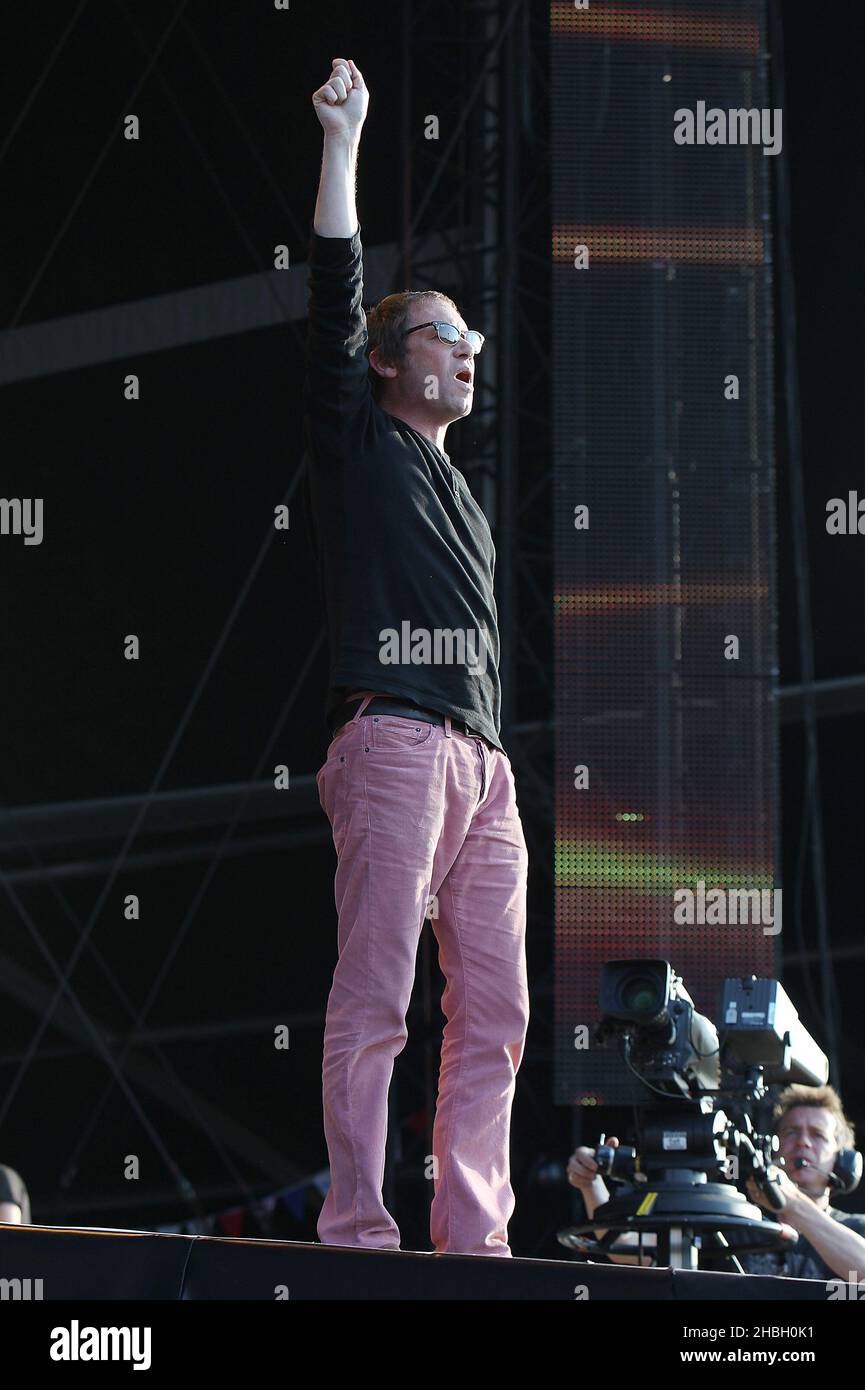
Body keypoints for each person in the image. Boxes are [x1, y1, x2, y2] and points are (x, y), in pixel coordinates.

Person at [304, 58, 530, 1258]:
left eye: (476, 339)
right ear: (390, 361)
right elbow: (334, 299)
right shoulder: (356, 440)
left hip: (482, 768)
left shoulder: (461, 492)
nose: (471, 353)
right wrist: (344, 142)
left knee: (495, 1013)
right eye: (450, 337)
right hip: (391, 737)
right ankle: (357, 1233)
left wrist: (488, 766)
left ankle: (474, 1241)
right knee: (378, 997)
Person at [567, 1084, 865, 1280]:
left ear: (843, 1159)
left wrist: (793, 1206)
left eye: (817, 1135)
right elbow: (625, 1248)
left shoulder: (856, 1229)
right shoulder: (736, 1222)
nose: (802, 1142)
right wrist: (590, 1183)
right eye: (790, 1133)